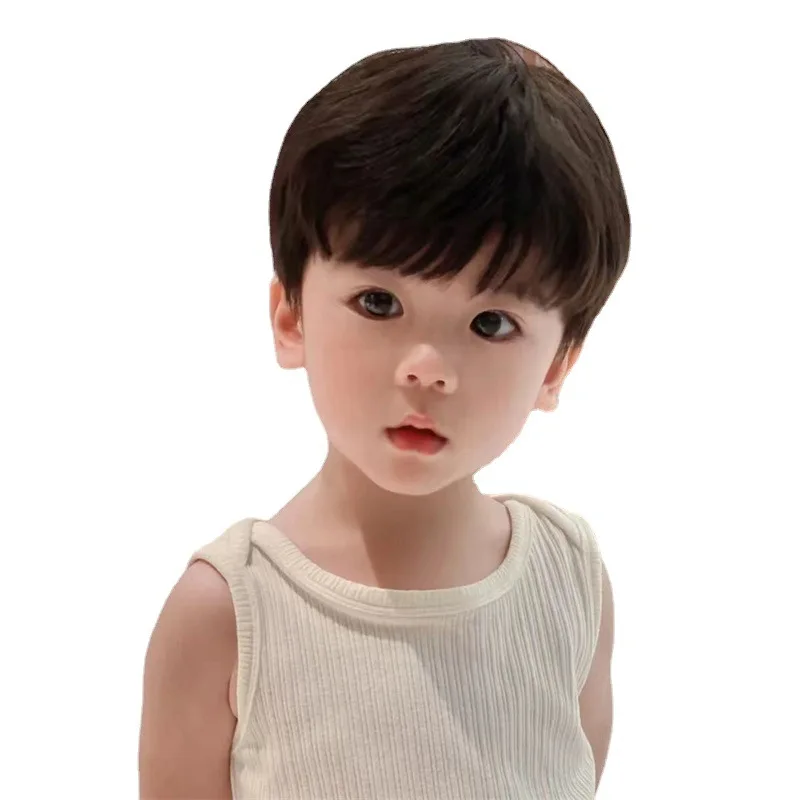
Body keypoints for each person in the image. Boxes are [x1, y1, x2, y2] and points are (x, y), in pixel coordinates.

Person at [139, 37, 629, 799]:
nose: (427, 367)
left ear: (557, 365)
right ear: (291, 317)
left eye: (492, 323)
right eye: (379, 303)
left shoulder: (569, 583)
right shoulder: (229, 614)